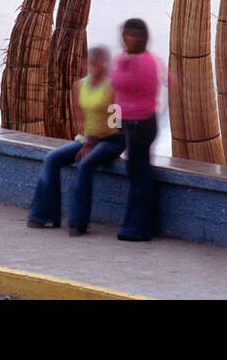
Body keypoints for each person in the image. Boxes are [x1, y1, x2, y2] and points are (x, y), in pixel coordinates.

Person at [28, 46, 124, 234]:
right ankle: (45, 215)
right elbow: (81, 118)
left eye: (101, 62)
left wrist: (92, 143)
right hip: (86, 139)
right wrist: (86, 142)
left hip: (111, 140)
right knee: (51, 158)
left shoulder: (113, 87)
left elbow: (117, 123)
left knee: (85, 163)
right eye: (92, 62)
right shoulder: (80, 85)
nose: (96, 66)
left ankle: (78, 221)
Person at [113, 18, 165, 241]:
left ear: (143, 38)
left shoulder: (146, 62)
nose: (129, 39)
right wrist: (115, 127)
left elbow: (135, 90)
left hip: (141, 125)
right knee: (137, 174)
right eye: (126, 34)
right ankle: (141, 226)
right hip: (127, 125)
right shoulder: (122, 59)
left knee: (138, 176)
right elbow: (118, 97)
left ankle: (138, 229)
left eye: (134, 35)